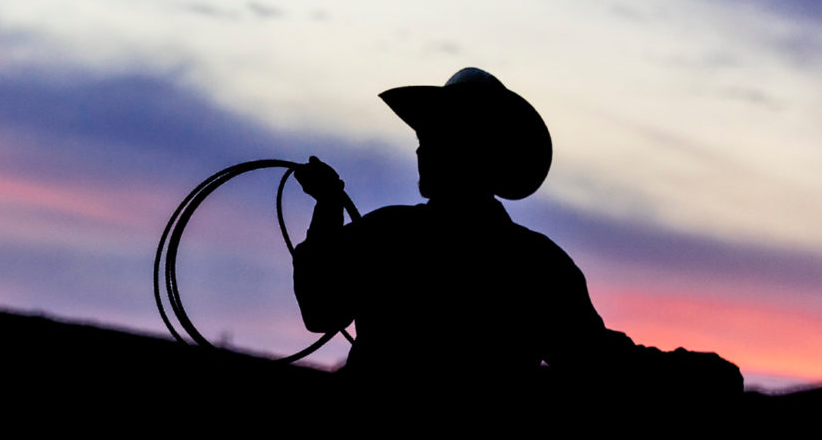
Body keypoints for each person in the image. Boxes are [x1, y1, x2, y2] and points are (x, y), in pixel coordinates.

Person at [292, 67, 740, 396]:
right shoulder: (535, 262)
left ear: (474, 152)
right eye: (423, 140)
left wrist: (329, 210)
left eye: (437, 140)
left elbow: (321, 307)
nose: (422, 152)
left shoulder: (388, 234)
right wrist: (696, 372)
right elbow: (595, 361)